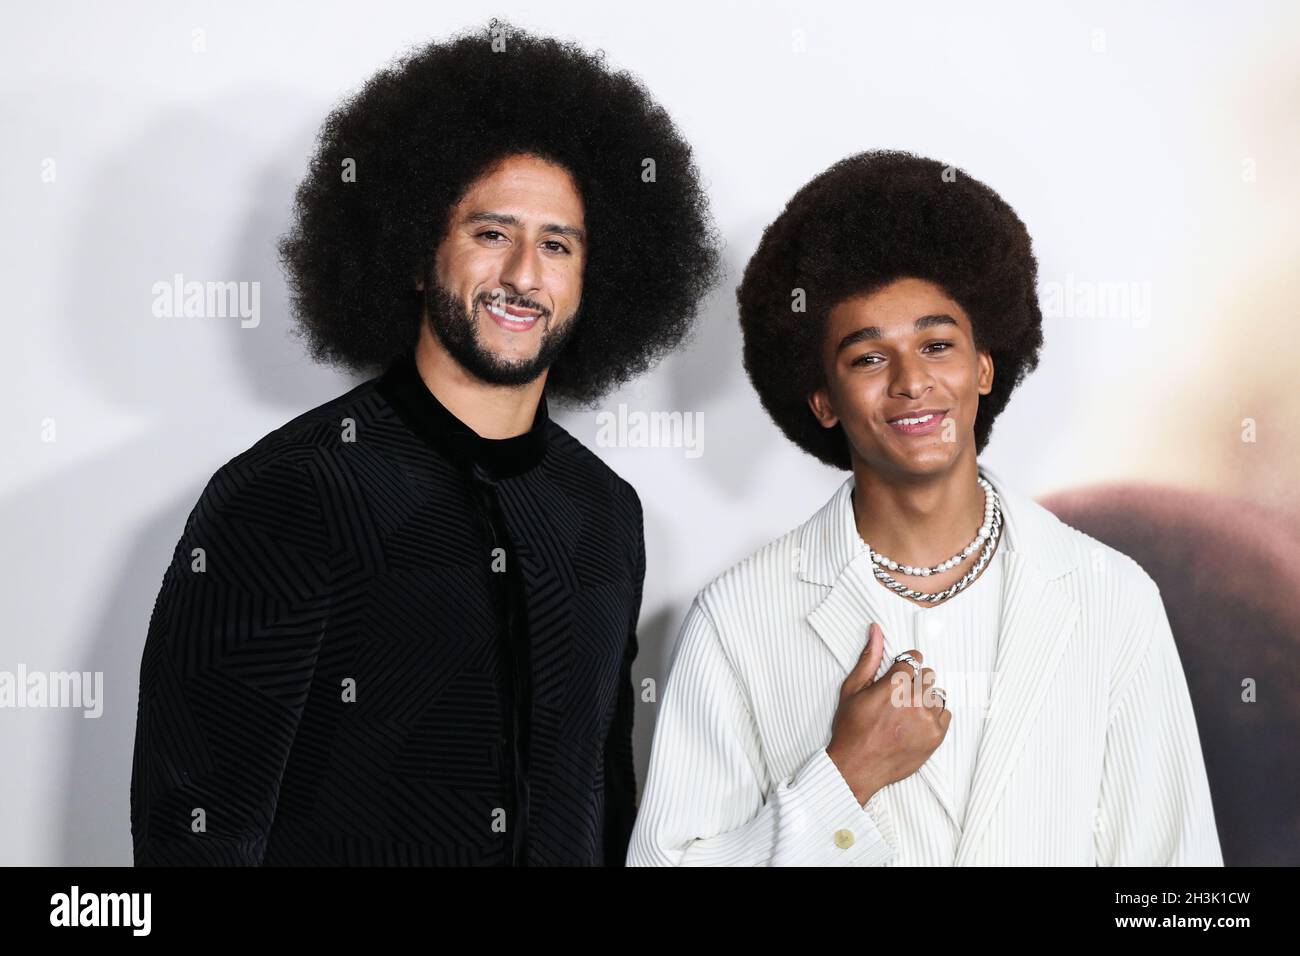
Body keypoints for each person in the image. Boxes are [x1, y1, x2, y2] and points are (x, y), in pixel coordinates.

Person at [130, 18, 722, 866]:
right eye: (491, 233)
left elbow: (602, 805)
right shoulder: (292, 494)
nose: (523, 273)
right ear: (416, 252)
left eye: (556, 245)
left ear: (598, 280)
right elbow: (195, 832)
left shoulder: (605, 515)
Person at [626, 150, 1222, 866]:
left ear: (983, 366)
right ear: (822, 398)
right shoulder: (738, 620)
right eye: (868, 358)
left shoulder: (1112, 600)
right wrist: (847, 779)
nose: (912, 381)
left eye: (937, 344)